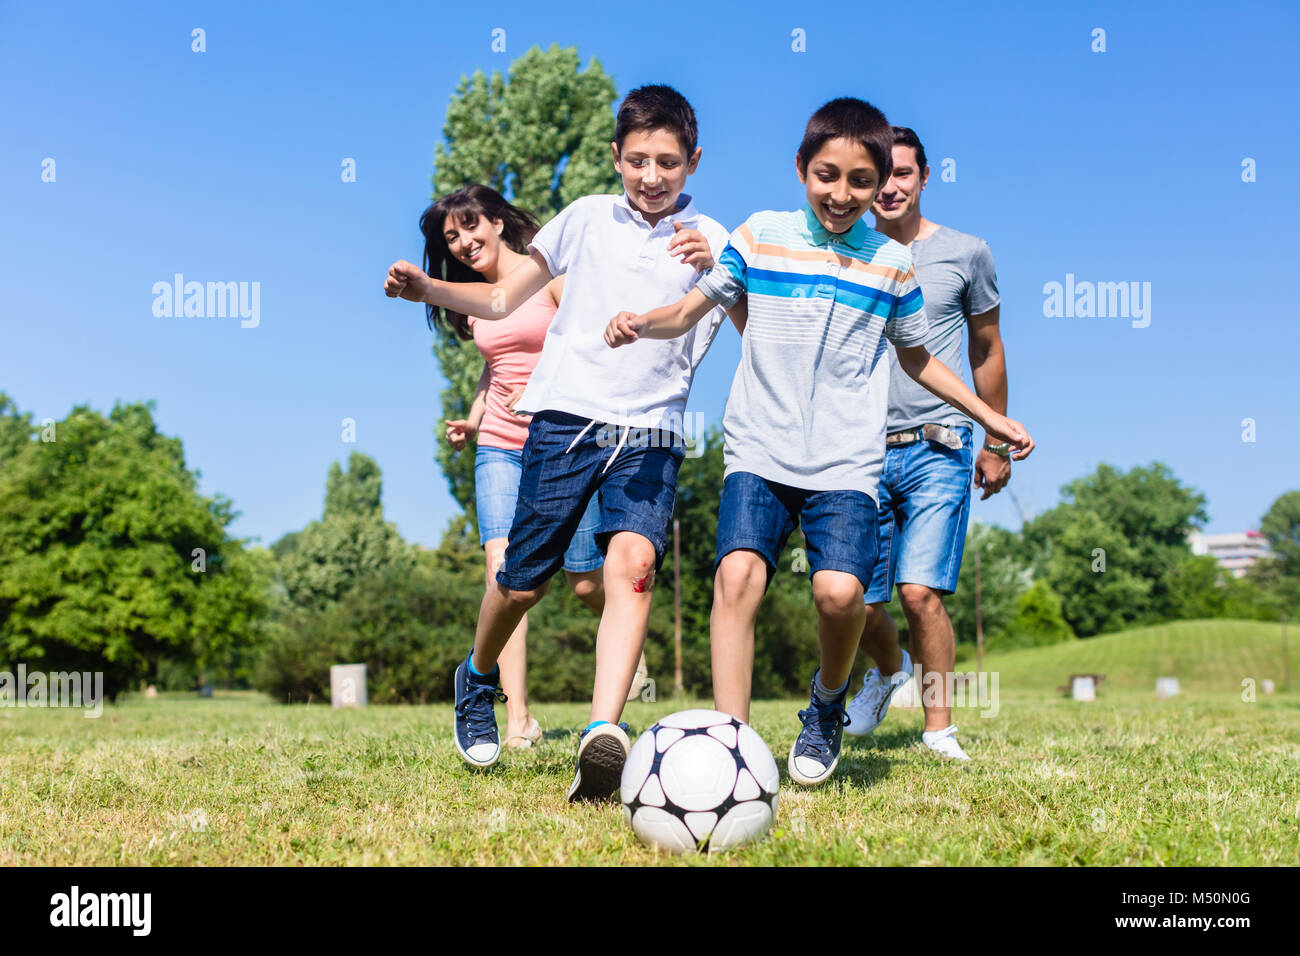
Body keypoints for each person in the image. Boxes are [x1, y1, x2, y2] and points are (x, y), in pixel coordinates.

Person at [604, 97, 1033, 787]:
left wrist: (990, 417)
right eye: (827, 175)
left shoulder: (893, 265)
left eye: (861, 181)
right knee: (736, 577)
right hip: (758, 448)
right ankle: (731, 744)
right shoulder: (761, 234)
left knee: (840, 595)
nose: (842, 194)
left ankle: (827, 704)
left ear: (881, 183)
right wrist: (642, 322)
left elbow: (919, 358)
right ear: (802, 168)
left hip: (846, 459)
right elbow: (696, 305)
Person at [385, 85, 743, 800]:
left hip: (653, 429)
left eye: (667, 162)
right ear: (615, 157)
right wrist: (428, 289)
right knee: (522, 581)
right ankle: (477, 677)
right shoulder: (582, 220)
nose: (650, 176)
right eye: (637, 160)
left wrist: (721, 271)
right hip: (566, 417)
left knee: (632, 565)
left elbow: (753, 338)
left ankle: (599, 738)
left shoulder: (720, 240)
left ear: (694, 161)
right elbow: (496, 300)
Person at [422, 183, 634, 750]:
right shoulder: (477, 304)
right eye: (451, 237)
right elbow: (496, 372)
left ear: (495, 221)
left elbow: (590, 339)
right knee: (506, 572)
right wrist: (473, 418)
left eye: (470, 227)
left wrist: (545, 389)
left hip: (567, 440)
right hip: (501, 444)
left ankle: (625, 655)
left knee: (587, 581)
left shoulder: (548, 275)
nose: (464, 242)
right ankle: (515, 717)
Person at [843, 127, 1011, 761]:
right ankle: (889, 673)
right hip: (855, 448)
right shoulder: (844, 250)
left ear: (924, 177)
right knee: (852, 597)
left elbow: (987, 349)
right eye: (879, 174)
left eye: (903, 174)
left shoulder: (967, 253)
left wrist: (994, 434)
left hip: (939, 443)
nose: (889, 187)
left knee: (920, 591)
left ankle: (938, 729)